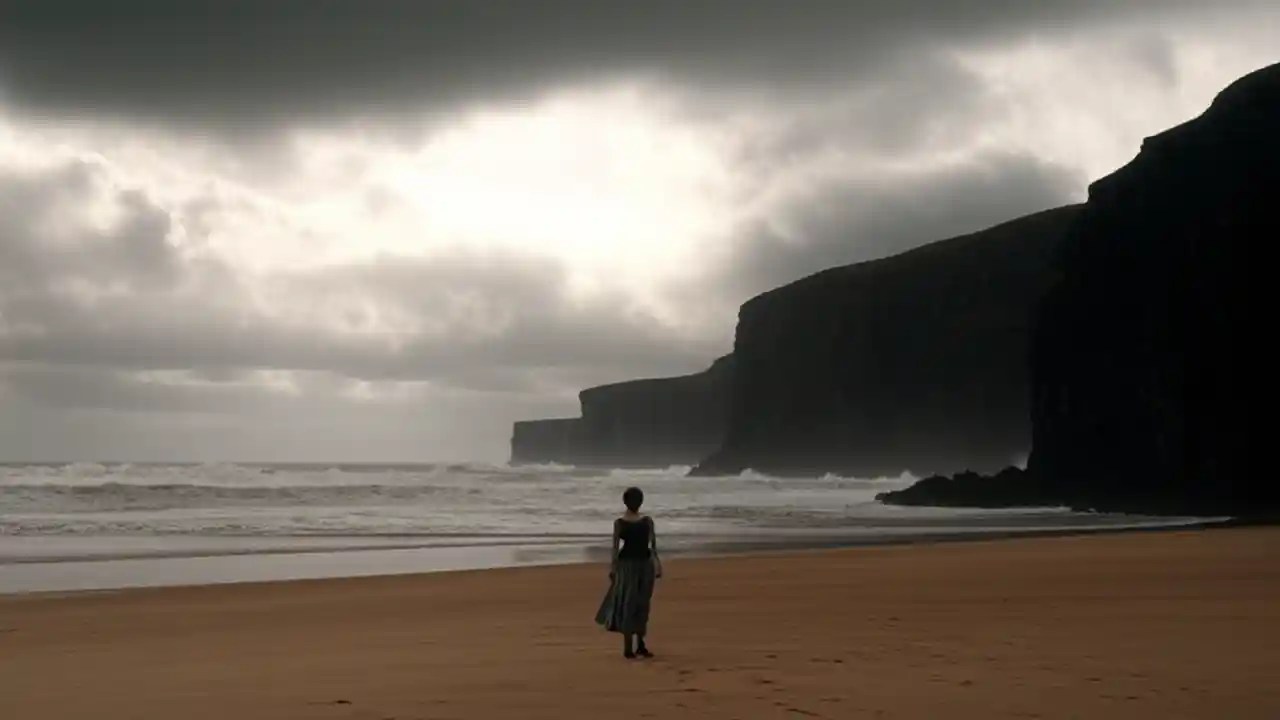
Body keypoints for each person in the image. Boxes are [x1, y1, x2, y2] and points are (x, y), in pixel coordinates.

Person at [594, 486, 662, 658]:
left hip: (641, 565)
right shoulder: (622, 523)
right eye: (634, 500)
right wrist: (613, 568)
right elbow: (615, 548)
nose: (636, 503)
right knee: (629, 604)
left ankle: (639, 644)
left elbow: (653, 547)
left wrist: (657, 564)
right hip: (629, 567)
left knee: (641, 604)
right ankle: (628, 647)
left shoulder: (645, 521)